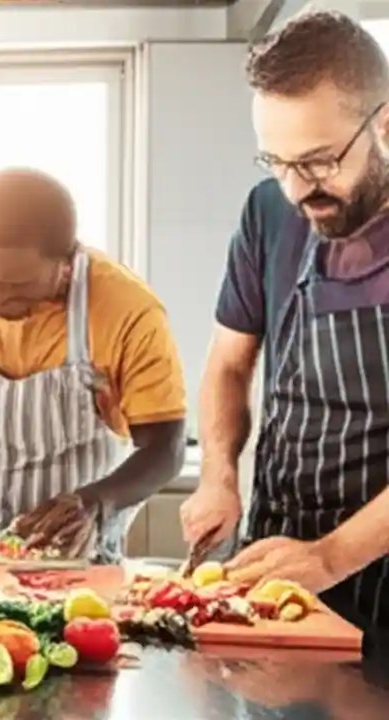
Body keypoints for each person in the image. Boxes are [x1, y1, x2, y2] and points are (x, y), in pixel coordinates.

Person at [182, 10, 389, 630]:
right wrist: (218, 474)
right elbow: (228, 362)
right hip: (277, 562)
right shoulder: (269, 213)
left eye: (320, 162)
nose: (298, 189)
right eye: (275, 160)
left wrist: (330, 557)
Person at [0, 168, 186, 562]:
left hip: (71, 537)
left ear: (67, 264)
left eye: (17, 286)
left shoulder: (130, 309)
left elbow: (165, 448)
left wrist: (94, 502)